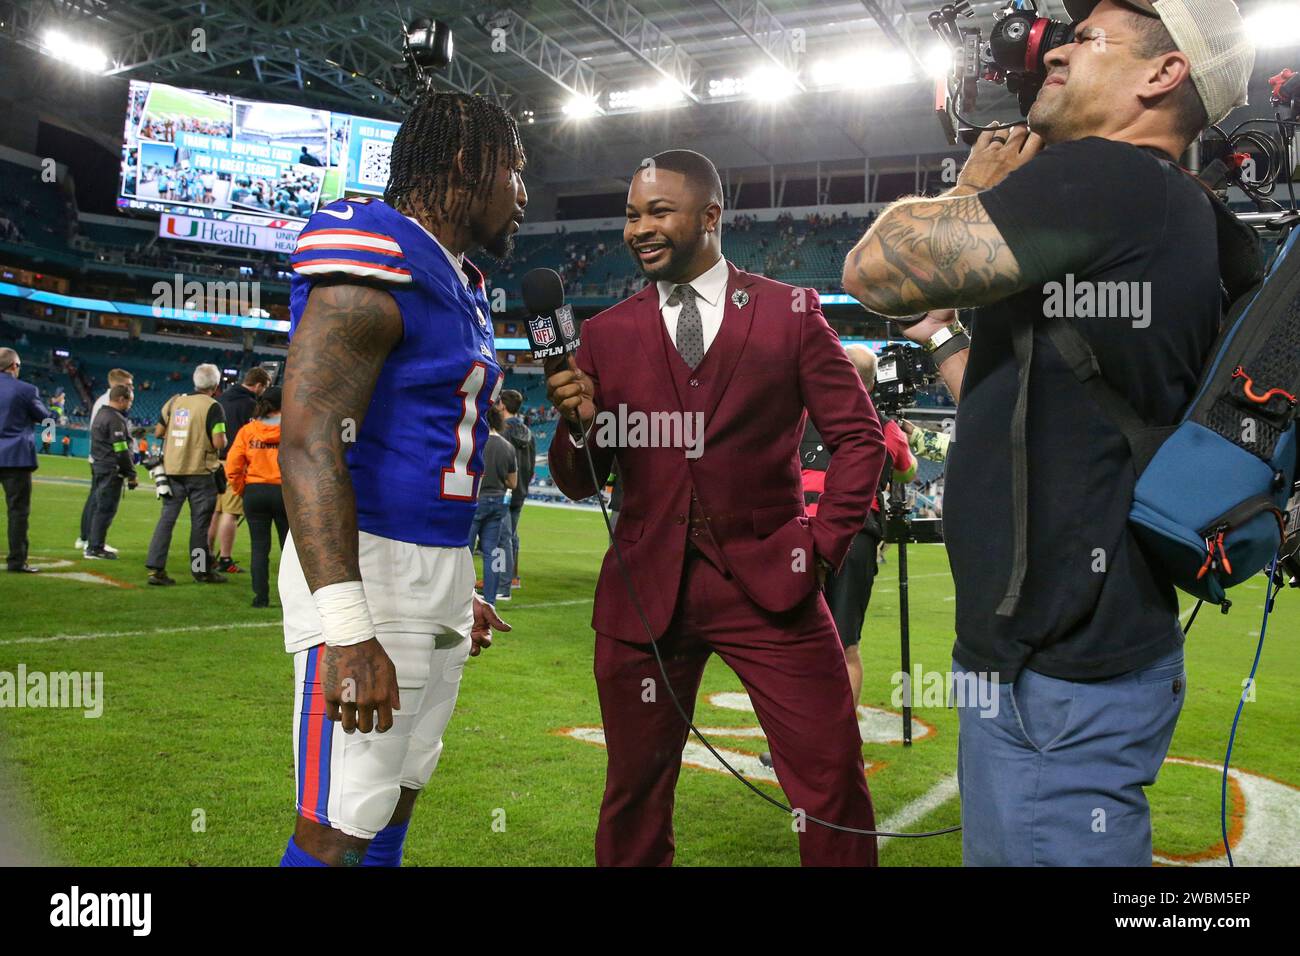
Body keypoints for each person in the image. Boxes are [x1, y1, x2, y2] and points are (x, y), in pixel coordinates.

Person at [841, 0, 1255, 866]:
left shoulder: (1108, 177)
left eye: (1087, 39)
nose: (1056, 51)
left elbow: (873, 271)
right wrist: (955, 340)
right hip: (1096, 644)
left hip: (1057, 662)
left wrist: (972, 188)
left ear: (1162, 74)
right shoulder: (1186, 213)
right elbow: (1065, 398)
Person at [546, 149, 886, 866]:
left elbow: (860, 439)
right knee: (634, 789)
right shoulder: (603, 334)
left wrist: (820, 547)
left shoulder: (790, 313)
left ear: (710, 217)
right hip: (644, 591)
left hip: (773, 586)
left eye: (658, 212)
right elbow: (582, 481)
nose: (640, 228)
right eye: (632, 215)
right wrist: (575, 425)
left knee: (830, 783)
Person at [277, 90, 519, 867]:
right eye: (513, 171)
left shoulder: (459, 279)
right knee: (339, 820)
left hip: (434, 568)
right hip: (370, 565)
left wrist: (454, 584)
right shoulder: (374, 252)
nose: (521, 194)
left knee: (396, 793)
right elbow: (311, 440)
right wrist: (350, 628)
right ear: (463, 163)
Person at [801, 346, 916, 708]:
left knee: (799, 641)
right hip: (855, 536)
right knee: (845, 642)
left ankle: (800, 743)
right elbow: (907, 469)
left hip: (803, 532)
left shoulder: (801, 415)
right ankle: (840, 744)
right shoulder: (885, 426)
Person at [145, 363, 228, 585]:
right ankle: (200, 571)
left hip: (172, 469)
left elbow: (159, 431)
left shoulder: (175, 401)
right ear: (216, 385)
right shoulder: (213, 406)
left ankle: (155, 569)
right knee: (200, 525)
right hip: (200, 472)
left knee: (166, 519)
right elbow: (219, 441)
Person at [225, 386, 284, 608]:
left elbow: (232, 466)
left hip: (255, 491)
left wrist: (243, 489)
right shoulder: (291, 429)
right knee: (289, 549)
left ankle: (261, 597)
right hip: (283, 492)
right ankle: (294, 599)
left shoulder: (248, 431)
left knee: (259, 548)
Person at [209, 367, 272, 574]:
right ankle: (225, 559)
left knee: (215, 512)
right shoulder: (251, 405)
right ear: (260, 385)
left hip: (214, 462)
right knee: (231, 513)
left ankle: (207, 556)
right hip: (234, 462)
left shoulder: (222, 399)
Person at [0, 348, 51, 573]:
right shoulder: (26, 390)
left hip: (14, 456)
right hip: (15, 458)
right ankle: (16, 561)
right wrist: (56, 408)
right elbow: (47, 420)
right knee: (18, 511)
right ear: (14, 366)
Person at [76, 368, 133, 555]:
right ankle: (92, 542)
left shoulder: (104, 404)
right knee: (100, 503)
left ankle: (89, 539)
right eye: (128, 385)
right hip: (106, 460)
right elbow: (109, 438)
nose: (131, 388)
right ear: (117, 386)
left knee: (96, 500)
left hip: (101, 458)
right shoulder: (106, 406)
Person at [468, 404, 517, 605]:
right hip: (497, 502)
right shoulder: (508, 446)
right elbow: (513, 482)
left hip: (476, 500)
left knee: (466, 551)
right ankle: (490, 601)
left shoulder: (475, 443)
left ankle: (463, 598)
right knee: (493, 553)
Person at [84, 385, 139, 560]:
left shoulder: (101, 414)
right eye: (129, 400)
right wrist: (131, 473)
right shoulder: (115, 419)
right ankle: (95, 547)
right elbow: (121, 450)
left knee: (100, 507)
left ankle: (94, 544)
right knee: (106, 509)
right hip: (110, 469)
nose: (130, 404)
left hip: (100, 465)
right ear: (121, 399)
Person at [496, 388, 534, 595]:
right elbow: (530, 464)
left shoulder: (502, 432)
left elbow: (501, 463)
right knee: (512, 536)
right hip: (520, 490)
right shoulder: (528, 432)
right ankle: (513, 578)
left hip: (504, 490)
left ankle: (503, 583)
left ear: (502, 405)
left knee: (503, 538)